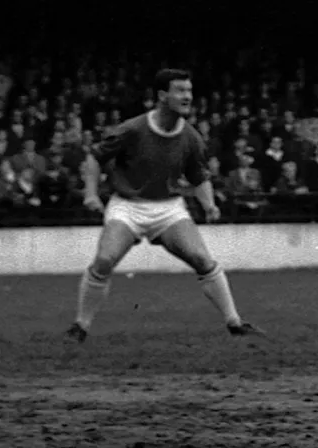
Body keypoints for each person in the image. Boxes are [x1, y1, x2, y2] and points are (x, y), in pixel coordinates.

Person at [70, 68, 253, 341]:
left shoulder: (191, 137)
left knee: (202, 259)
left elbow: (198, 175)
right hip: (127, 206)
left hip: (168, 208)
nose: (187, 96)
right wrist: (91, 193)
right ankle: (80, 327)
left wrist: (210, 204)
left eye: (189, 91)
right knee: (105, 259)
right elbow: (95, 157)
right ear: (162, 96)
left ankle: (235, 323)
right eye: (180, 90)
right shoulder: (132, 129)